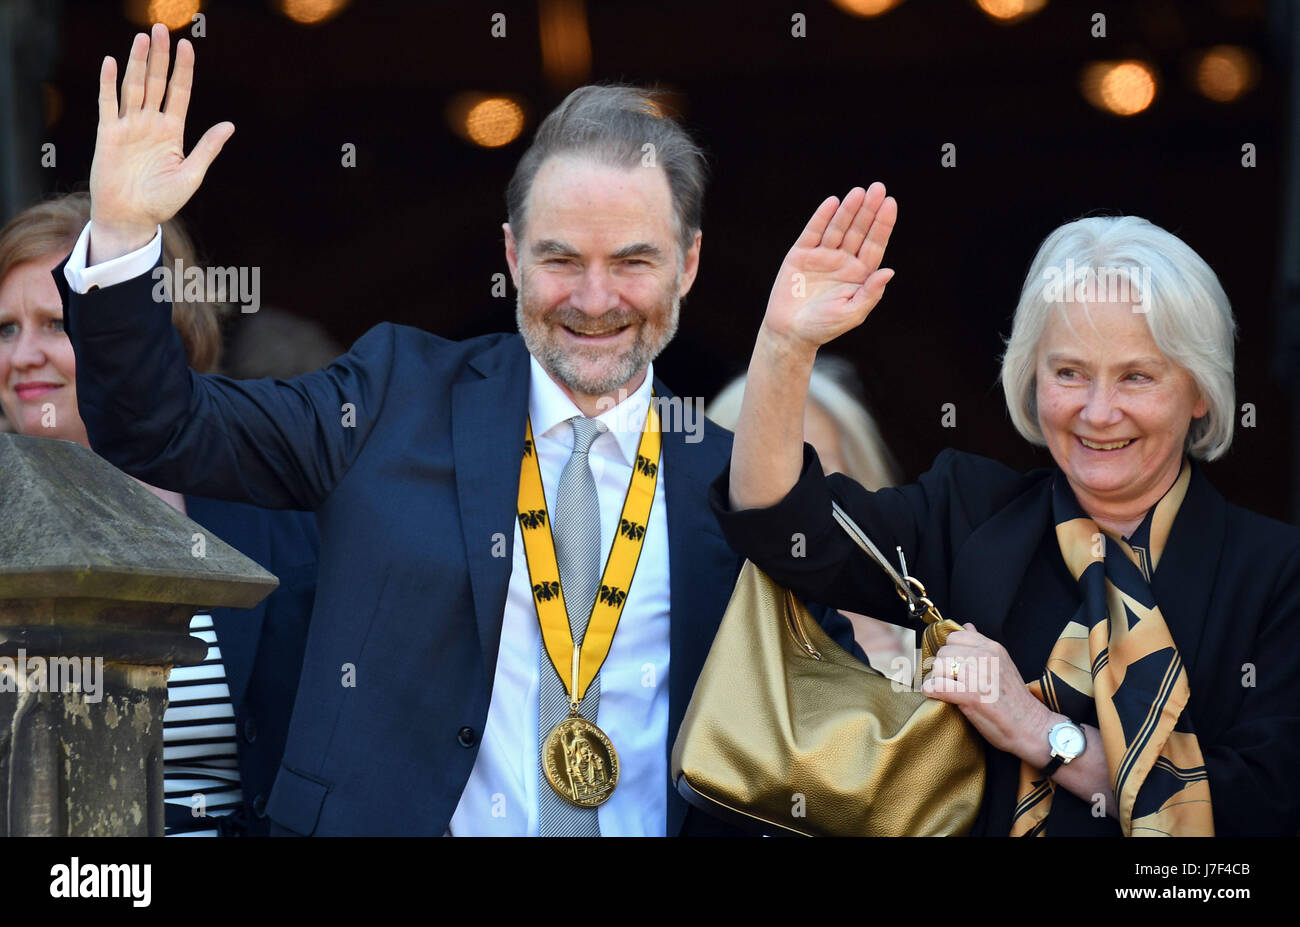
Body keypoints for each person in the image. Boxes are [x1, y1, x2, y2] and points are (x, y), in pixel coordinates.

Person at [57, 25, 856, 836]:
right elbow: (159, 429)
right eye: (559, 259)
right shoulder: (391, 397)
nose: (592, 297)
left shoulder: (732, 479)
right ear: (511, 255)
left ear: (688, 264)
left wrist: (977, 685)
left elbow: (838, 702)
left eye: (633, 262)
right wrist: (122, 236)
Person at [713, 184, 1300, 835]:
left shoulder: (1276, 576)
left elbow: (1263, 809)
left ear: (1200, 391)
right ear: (1031, 377)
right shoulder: (968, 513)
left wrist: (1038, 729)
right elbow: (783, 526)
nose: (1099, 412)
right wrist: (786, 343)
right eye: (1069, 372)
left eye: (1137, 376)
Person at [0, 192, 319, 836]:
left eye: (57, 323)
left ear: (147, 335)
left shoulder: (268, 513)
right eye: (5, 329)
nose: (22, 354)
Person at [707, 357, 913, 680]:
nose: (792, 500)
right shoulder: (702, 627)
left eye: (817, 472)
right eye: (763, 477)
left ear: (857, 477)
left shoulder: (920, 607)